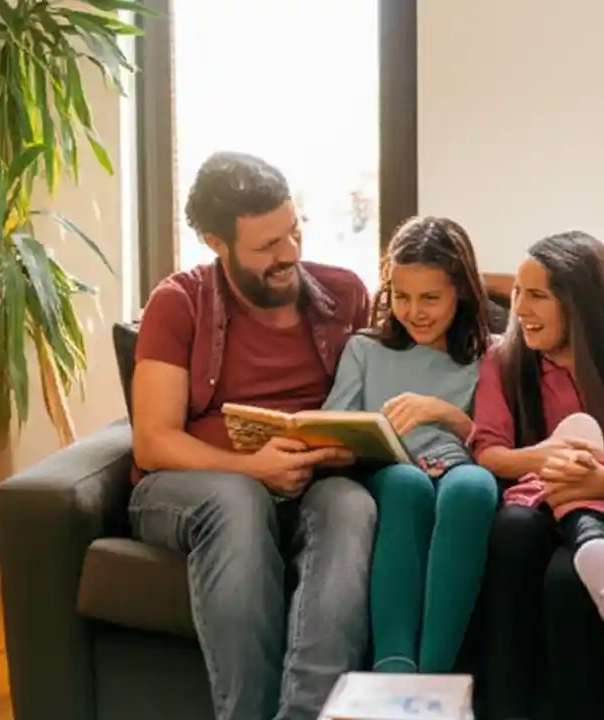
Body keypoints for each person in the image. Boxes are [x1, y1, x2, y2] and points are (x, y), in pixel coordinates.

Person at [128, 151, 376, 720]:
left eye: (293, 231)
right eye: (267, 247)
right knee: (236, 501)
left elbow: (376, 398)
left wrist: (349, 447)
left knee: (351, 504)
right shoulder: (179, 302)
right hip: (195, 488)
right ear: (218, 243)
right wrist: (251, 468)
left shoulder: (345, 296)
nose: (289, 254)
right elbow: (153, 441)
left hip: (311, 481)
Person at [472, 231, 604, 719]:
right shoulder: (503, 361)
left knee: (569, 580)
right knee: (513, 531)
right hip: (535, 502)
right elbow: (489, 452)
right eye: (518, 293)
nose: (520, 308)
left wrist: (600, 482)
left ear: (581, 304)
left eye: (538, 295)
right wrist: (545, 456)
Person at [321, 216, 498, 674]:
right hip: (389, 469)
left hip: (458, 465)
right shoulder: (364, 348)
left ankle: (434, 677)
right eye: (402, 296)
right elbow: (334, 426)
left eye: (430, 298)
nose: (415, 311)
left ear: (459, 291)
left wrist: (444, 413)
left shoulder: (489, 357)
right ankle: (393, 667)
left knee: (473, 488)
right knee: (407, 485)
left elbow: (497, 440)